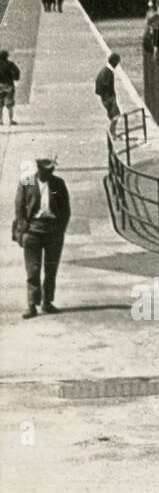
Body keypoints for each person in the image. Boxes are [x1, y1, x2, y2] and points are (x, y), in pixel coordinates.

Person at [14, 155, 71, 317]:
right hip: (32, 231)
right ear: (38, 168)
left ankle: (47, 302)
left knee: (51, 268)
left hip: (53, 231)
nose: (50, 171)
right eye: (47, 169)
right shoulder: (27, 182)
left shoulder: (57, 183)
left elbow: (65, 208)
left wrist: (61, 228)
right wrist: (22, 229)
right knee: (33, 269)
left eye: (52, 169)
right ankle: (32, 304)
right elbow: (19, 208)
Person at [95, 53, 121, 129]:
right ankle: (112, 132)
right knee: (116, 115)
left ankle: (113, 131)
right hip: (109, 98)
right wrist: (109, 98)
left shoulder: (105, 70)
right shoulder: (108, 72)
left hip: (106, 98)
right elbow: (105, 85)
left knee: (113, 115)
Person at [0, 49, 20, 127]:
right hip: (9, 86)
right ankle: (10, 120)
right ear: (7, 56)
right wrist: (15, 78)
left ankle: (0, 121)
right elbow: (17, 72)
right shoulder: (10, 64)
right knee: (10, 104)